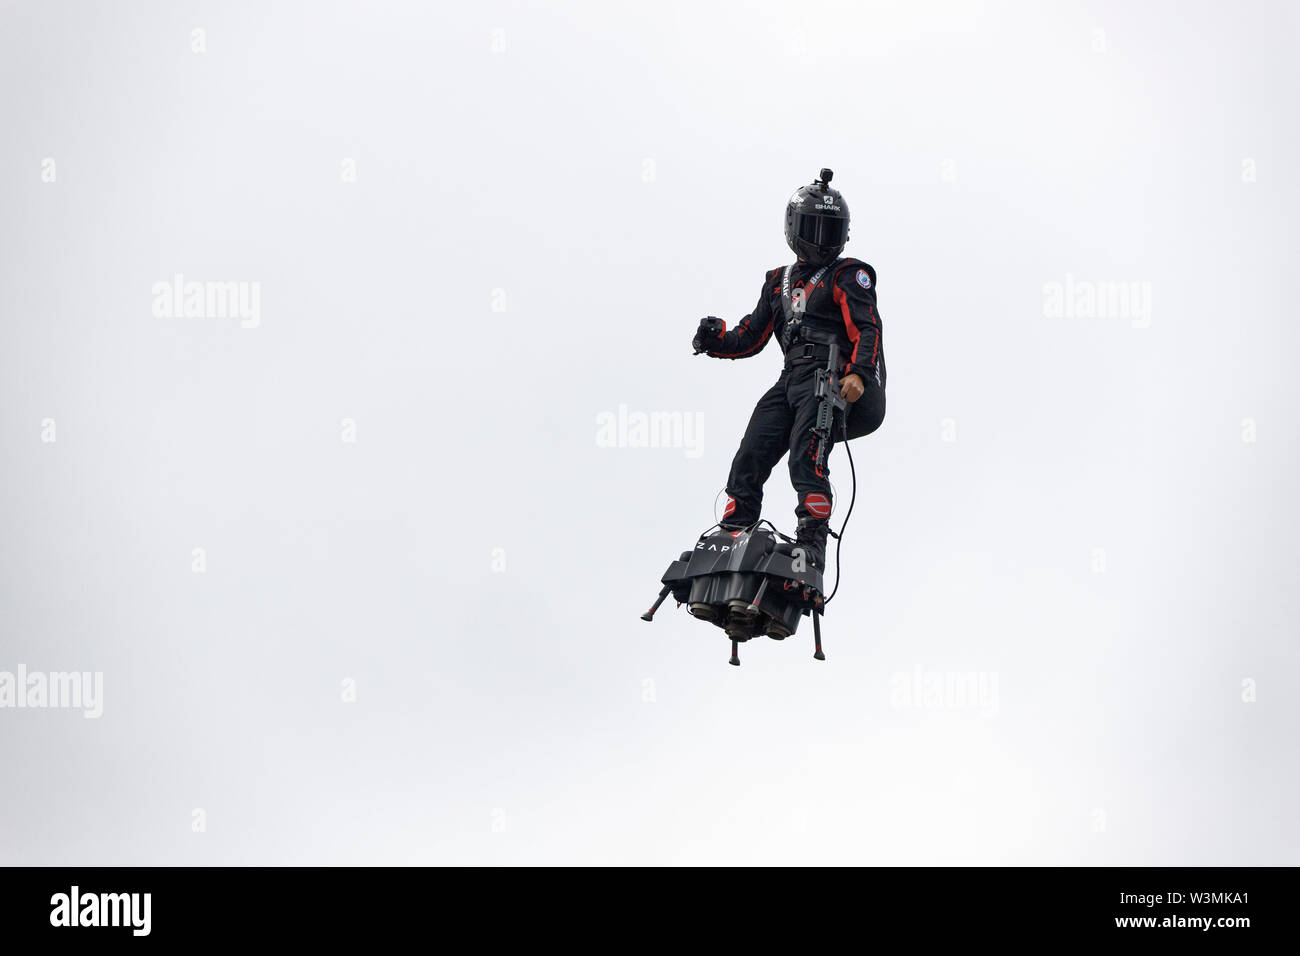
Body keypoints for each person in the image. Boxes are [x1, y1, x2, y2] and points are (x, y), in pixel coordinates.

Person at [692, 168, 886, 571]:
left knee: (806, 457)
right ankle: (732, 534)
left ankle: (810, 548)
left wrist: (858, 375)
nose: (822, 239)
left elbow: (868, 328)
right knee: (749, 456)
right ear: (794, 228)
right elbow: (750, 335)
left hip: (829, 377)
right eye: (814, 228)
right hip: (789, 380)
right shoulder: (776, 282)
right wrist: (715, 339)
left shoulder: (850, 273)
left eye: (831, 231)